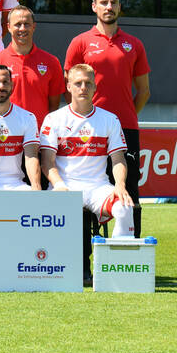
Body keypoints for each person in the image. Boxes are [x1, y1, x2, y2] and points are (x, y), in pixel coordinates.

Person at [64, 0, 151, 235]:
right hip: (87, 129)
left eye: (113, 2)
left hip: (125, 128)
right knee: (86, 189)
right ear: (94, 7)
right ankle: (84, 263)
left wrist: (125, 116)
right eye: (103, 2)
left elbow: (144, 91)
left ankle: (131, 255)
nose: (108, 7)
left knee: (129, 191)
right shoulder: (80, 42)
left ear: (119, 7)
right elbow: (69, 85)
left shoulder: (134, 44)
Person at [39, 64, 135, 238]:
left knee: (125, 207)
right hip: (65, 186)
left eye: (88, 83)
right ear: (68, 86)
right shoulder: (54, 119)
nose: (83, 88)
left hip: (99, 187)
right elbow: (47, 161)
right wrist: (59, 185)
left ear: (95, 87)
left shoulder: (110, 119)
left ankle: (114, 263)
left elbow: (118, 159)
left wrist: (120, 185)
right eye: (78, 83)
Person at [0, 5, 65, 129]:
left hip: (39, 135)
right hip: (6, 135)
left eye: (27, 24)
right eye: (18, 24)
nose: (22, 28)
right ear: (8, 27)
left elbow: (54, 105)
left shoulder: (51, 62)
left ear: (34, 27)